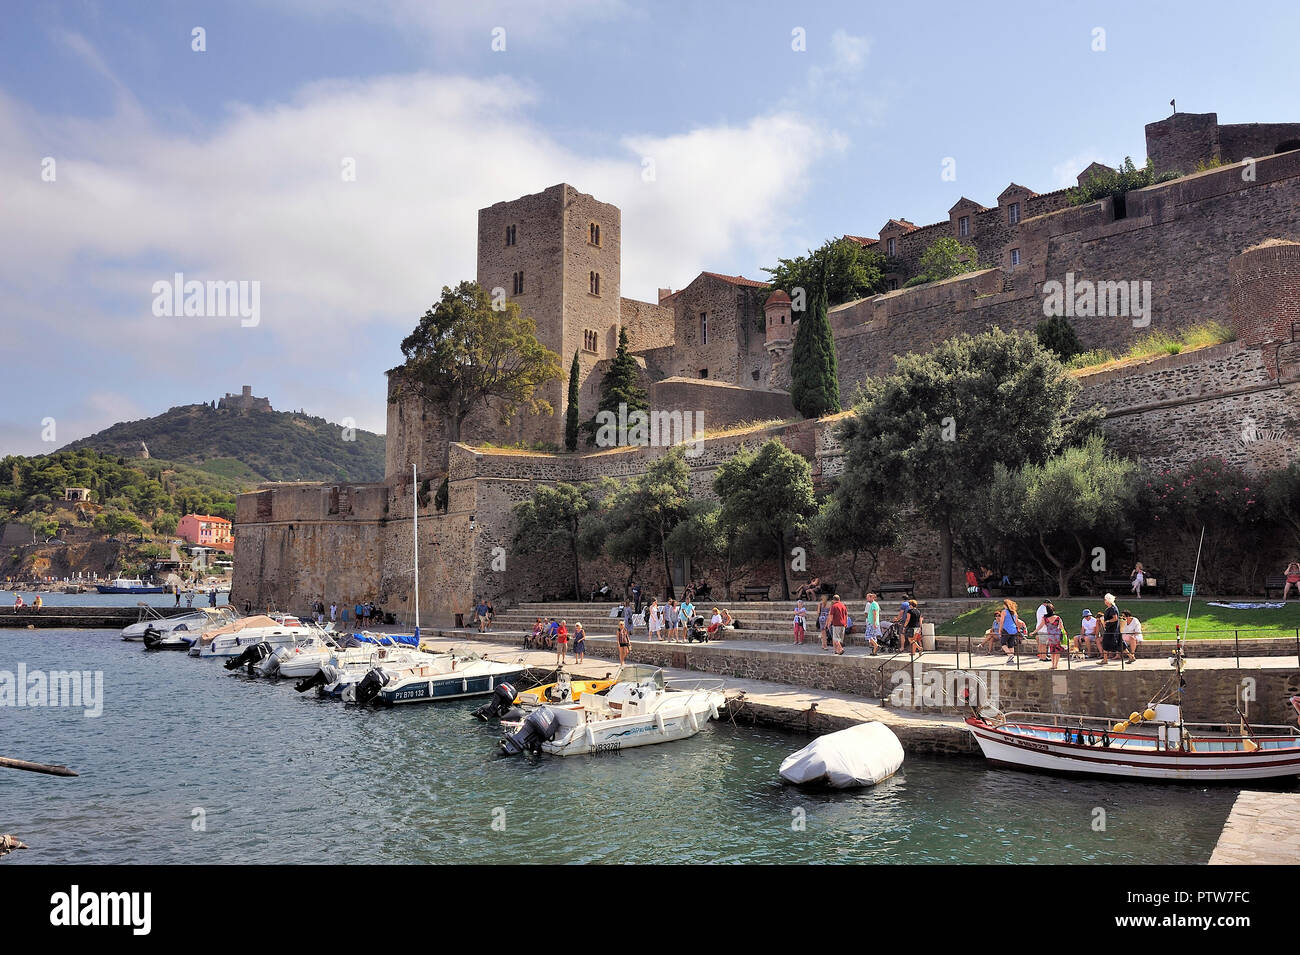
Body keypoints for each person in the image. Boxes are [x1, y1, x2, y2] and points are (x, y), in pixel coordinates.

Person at [1031, 601, 1065, 669]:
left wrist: (1034, 632)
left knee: (1052, 650)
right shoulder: (1058, 618)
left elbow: (1040, 626)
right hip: (1057, 635)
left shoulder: (1045, 618)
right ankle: (1056, 665)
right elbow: (1061, 627)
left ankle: (1052, 665)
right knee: (1057, 651)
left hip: (1050, 636)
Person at [994, 598, 1024, 664]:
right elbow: (1016, 622)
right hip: (1013, 630)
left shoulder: (1004, 612)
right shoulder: (1014, 612)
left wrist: (1000, 630)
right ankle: (1011, 659)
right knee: (1011, 645)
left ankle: (1010, 655)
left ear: (1005, 605)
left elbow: (1001, 622)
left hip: (1006, 629)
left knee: (1003, 643)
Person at [1099, 593, 1123, 665]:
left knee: (1105, 642)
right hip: (1111, 629)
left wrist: (1107, 621)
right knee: (1119, 643)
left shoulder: (1113, 608)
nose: (1104, 601)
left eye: (1105, 599)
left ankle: (1105, 660)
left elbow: (1115, 618)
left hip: (1112, 629)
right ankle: (1131, 656)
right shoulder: (1109, 608)